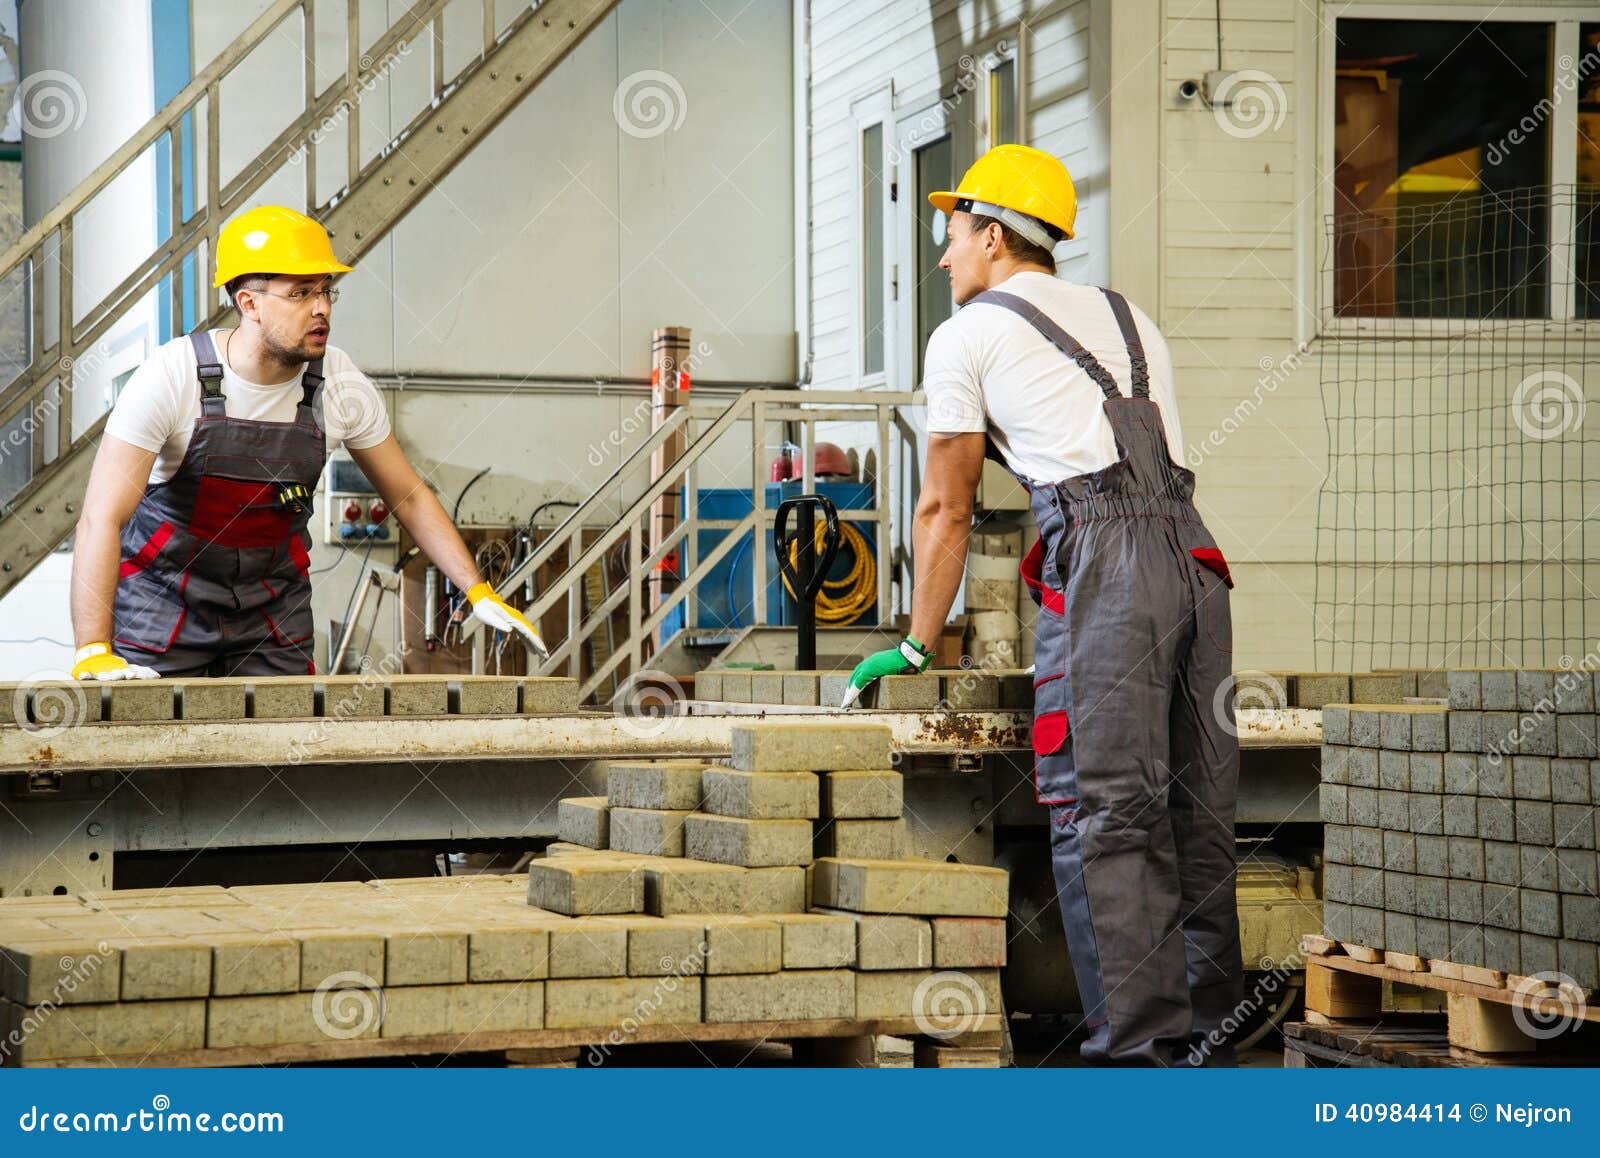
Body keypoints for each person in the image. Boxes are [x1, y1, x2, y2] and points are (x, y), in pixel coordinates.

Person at [843, 145, 1243, 1066]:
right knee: (1195, 807)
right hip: (1196, 558)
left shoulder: (967, 334)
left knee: (1106, 811)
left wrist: (913, 648)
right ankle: (1208, 1059)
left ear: (991, 235)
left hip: (1108, 568)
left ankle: (1133, 1071)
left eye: (950, 238)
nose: (943, 261)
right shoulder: (1129, 315)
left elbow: (945, 505)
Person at [69, 205, 544, 679]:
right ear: (248, 303)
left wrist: (476, 590)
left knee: (285, 749)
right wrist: (92, 647)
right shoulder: (174, 376)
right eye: (300, 293)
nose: (322, 308)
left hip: (271, 613)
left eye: (325, 290)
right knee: (162, 748)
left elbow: (410, 496)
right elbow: (101, 518)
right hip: (163, 606)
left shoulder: (340, 384)